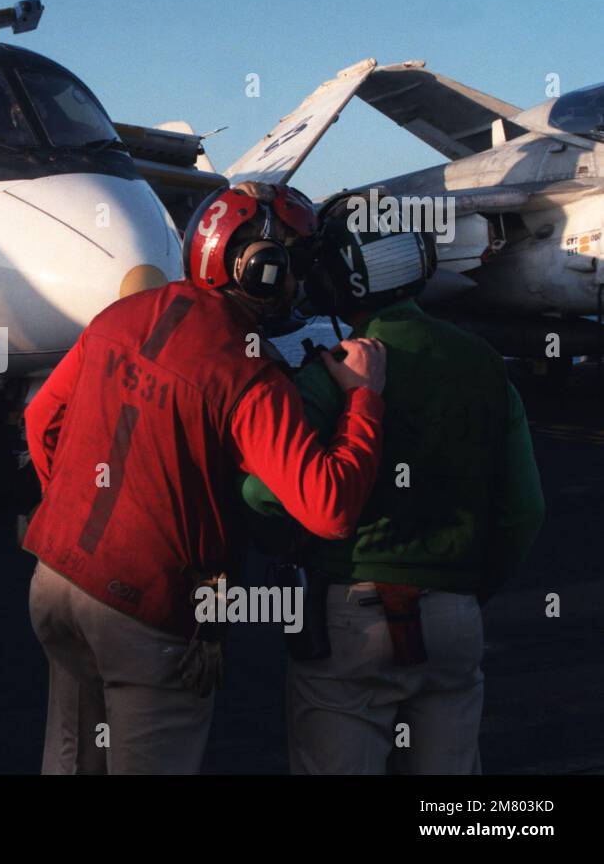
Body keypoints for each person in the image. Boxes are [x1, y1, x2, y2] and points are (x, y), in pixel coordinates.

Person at [21, 184, 389, 774]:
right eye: (292, 265)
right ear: (261, 271)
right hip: (145, 611)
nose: (299, 283)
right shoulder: (248, 373)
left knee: (71, 758)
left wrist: (71, 515)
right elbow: (329, 507)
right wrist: (364, 399)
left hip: (56, 579)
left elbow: (40, 420)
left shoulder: (117, 316)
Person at [240, 193, 544, 774]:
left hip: (350, 620)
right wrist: (463, 591)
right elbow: (523, 513)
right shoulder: (483, 363)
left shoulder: (329, 371)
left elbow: (263, 494)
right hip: (455, 623)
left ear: (332, 284)